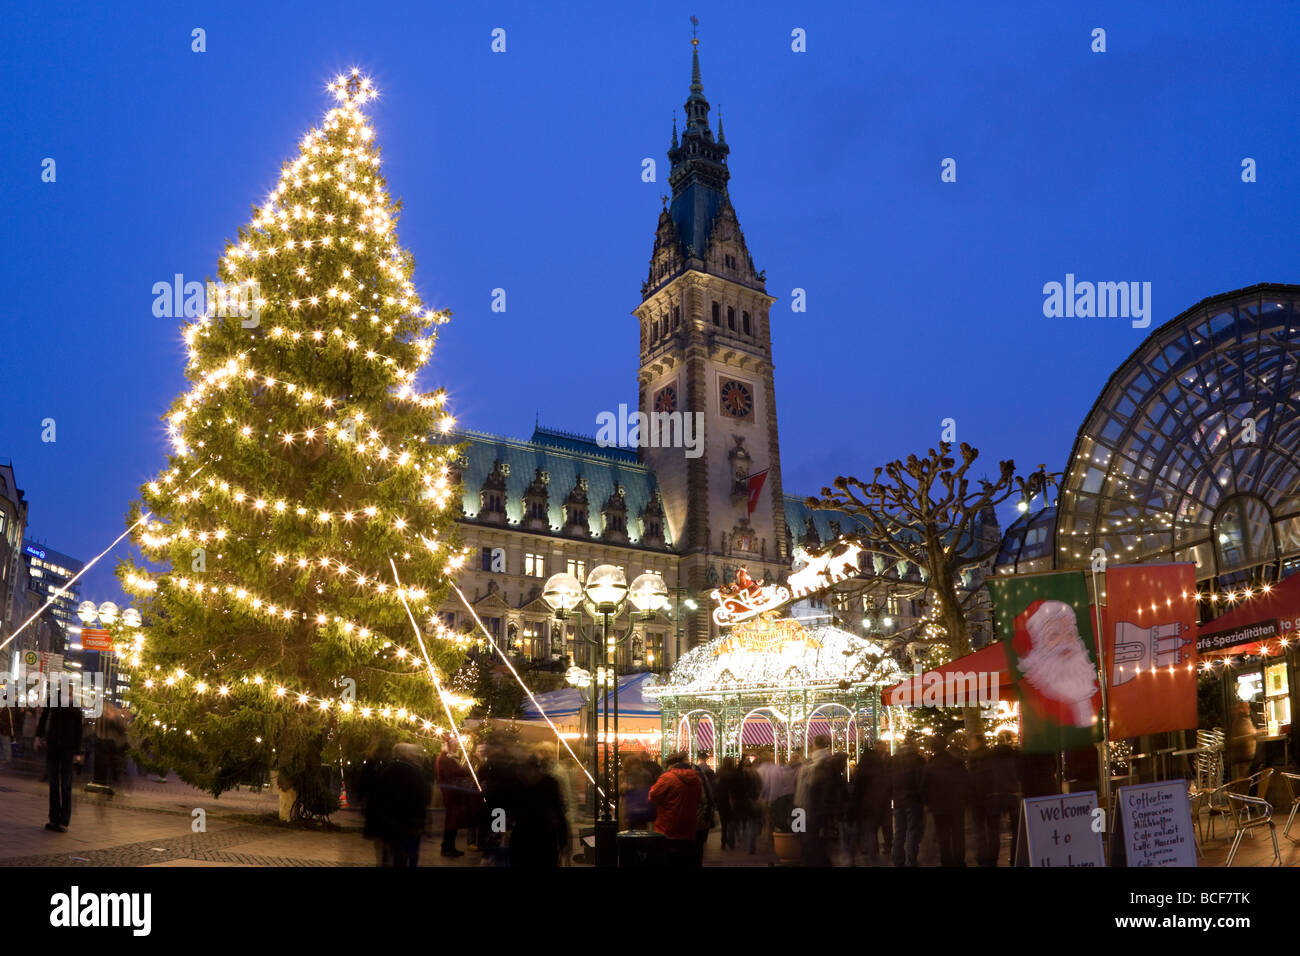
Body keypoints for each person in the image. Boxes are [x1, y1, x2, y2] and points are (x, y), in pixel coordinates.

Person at [364, 742, 432, 867]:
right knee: (401, 855)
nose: (419, 757)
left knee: (393, 855)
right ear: (407, 755)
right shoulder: (408, 771)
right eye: (415, 754)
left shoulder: (389, 769)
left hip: (395, 822)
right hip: (403, 822)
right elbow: (417, 797)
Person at [509, 753, 570, 867]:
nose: (531, 774)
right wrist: (563, 840)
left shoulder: (519, 784)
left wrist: (563, 840)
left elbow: (558, 811)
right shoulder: (549, 783)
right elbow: (559, 811)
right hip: (538, 838)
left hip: (535, 837)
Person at [35, 702, 84, 832]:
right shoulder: (53, 702)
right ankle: (53, 818)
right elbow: (44, 718)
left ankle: (64, 821)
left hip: (68, 749)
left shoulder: (74, 707)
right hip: (54, 746)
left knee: (66, 785)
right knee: (54, 783)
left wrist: (78, 752)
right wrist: (38, 736)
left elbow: (79, 730)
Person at [923, 734, 970, 866]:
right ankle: (959, 860)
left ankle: (946, 861)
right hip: (956, 804)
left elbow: (924, 787)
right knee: (958, 834)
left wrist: (928, 803)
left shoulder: (930, 765)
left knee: (943, 836)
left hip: (939, 806)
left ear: (933, 748)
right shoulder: (957, 763)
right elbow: (966, 782)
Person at [649, 752, 703, 867]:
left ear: (670, 765)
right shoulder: (696, 778)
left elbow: (652, 795)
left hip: (667, 827)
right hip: (689, 828)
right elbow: (699, 799)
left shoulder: (667, 777)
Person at [890, 736, 925, 867]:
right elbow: (921, 781)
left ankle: (897, 860)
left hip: (898, 800)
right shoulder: (917, 760)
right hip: (913, 800)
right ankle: (911, 860)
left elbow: (889, 780)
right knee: (912, 832)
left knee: (899, 832)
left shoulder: (893, 760)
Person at [435, 745, 474, 857]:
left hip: (452, 792)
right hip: (451, 792)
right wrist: (466, 769)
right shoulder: (444, 758)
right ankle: (447, 848)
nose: (456, 748)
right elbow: (451, 773)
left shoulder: (446, 758)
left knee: (453, 820)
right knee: (452, 820)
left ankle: (449, 846)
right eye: (454, 746)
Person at [1228, 701, 1258, 782]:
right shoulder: (1240, 720)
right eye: (1246, 707)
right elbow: (1242, 735)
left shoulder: (1245, 719)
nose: (1249, 709)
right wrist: (1255, 734)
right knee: (1243, 781)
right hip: (1243, 758)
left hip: (1246, 757)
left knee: (1245, 780)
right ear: (1241, 709)